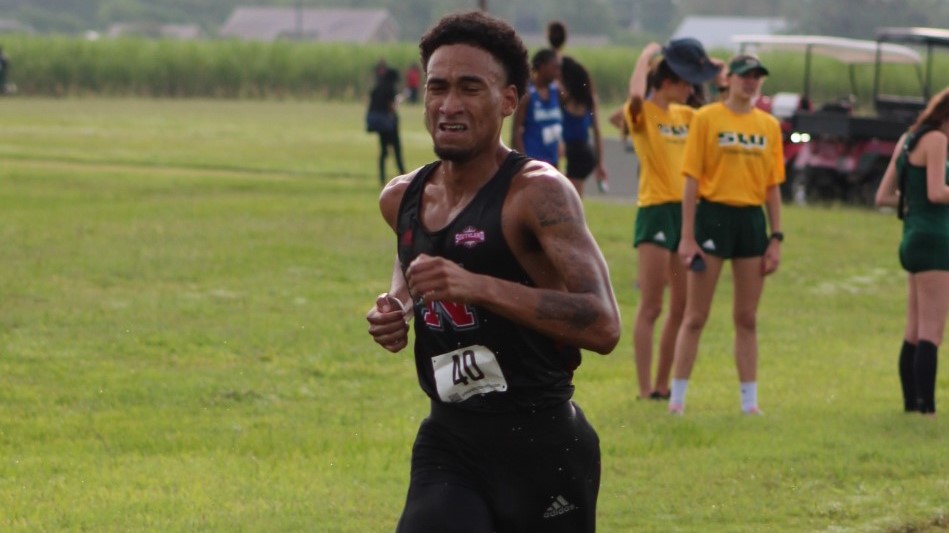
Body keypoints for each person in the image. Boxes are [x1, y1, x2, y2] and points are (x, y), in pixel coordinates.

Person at [365, 11, 621, 532]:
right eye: (437, 88)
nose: (449, 105)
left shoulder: (538, 194)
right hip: (449, 442)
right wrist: (400, 304)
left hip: (543, 445)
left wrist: (476, 286)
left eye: (469, 88)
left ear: (508, 101)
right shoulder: (401, 197)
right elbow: (411, 251)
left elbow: (602, 324)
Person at [669, 54, 785, 415]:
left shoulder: (769, 126)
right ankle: (677, 399)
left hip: (750, 220)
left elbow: (772, 186)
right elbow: (691, 180)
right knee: (695, 315)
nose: (750, 82)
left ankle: (749, 403)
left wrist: (776, 236)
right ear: (729, 79)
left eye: (756, 77)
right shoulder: (707, 119)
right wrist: (687, 236)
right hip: (714, 217)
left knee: (747, 317)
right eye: (744, 76)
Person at [624, 39, 721, 401]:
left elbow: (718, 105)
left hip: (685, 214)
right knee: (652, 306)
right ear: (668, 81)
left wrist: (710, 68)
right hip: (655, 211)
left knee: (679, 307)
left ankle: (662, 386)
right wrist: (645, 56)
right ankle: (644, 387)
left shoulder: (689, 116)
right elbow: (636, 95)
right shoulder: (645, 113)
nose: (691, 90)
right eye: (686, 83)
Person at [874, 86, 949, 416]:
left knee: (914, 328)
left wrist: (911, 202)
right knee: (932, 330)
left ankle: (910, 405)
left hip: (912, 238)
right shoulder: (937, 141)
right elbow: (936, 192)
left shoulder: (909, 139)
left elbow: (883, 197)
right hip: (936, 240)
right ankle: (927, 408)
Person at [559, 57, 608, 197]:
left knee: (570, 198)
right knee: (573, 196)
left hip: (577, 154)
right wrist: (600, 163)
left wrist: (600, 164)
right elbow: (597, 133)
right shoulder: (588, 101)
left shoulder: (564, 99)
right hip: (583, 152)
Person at [512, 48, 562, 167]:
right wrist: (522, 161)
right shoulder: (528, 95)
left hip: (553, 161)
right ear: (542, 67)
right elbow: (517, 130)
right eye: (554, 68)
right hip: (533, 161)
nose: (558, 72)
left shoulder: (556, 91)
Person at [366, 65, 405, 186]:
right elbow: (391, 107)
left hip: (380, 125)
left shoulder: (377, 87)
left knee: (383, 151)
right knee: (397, 149)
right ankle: (403, 174)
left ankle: (382, 177)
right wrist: (398, 102)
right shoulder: (390, 88)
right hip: (389, 124)